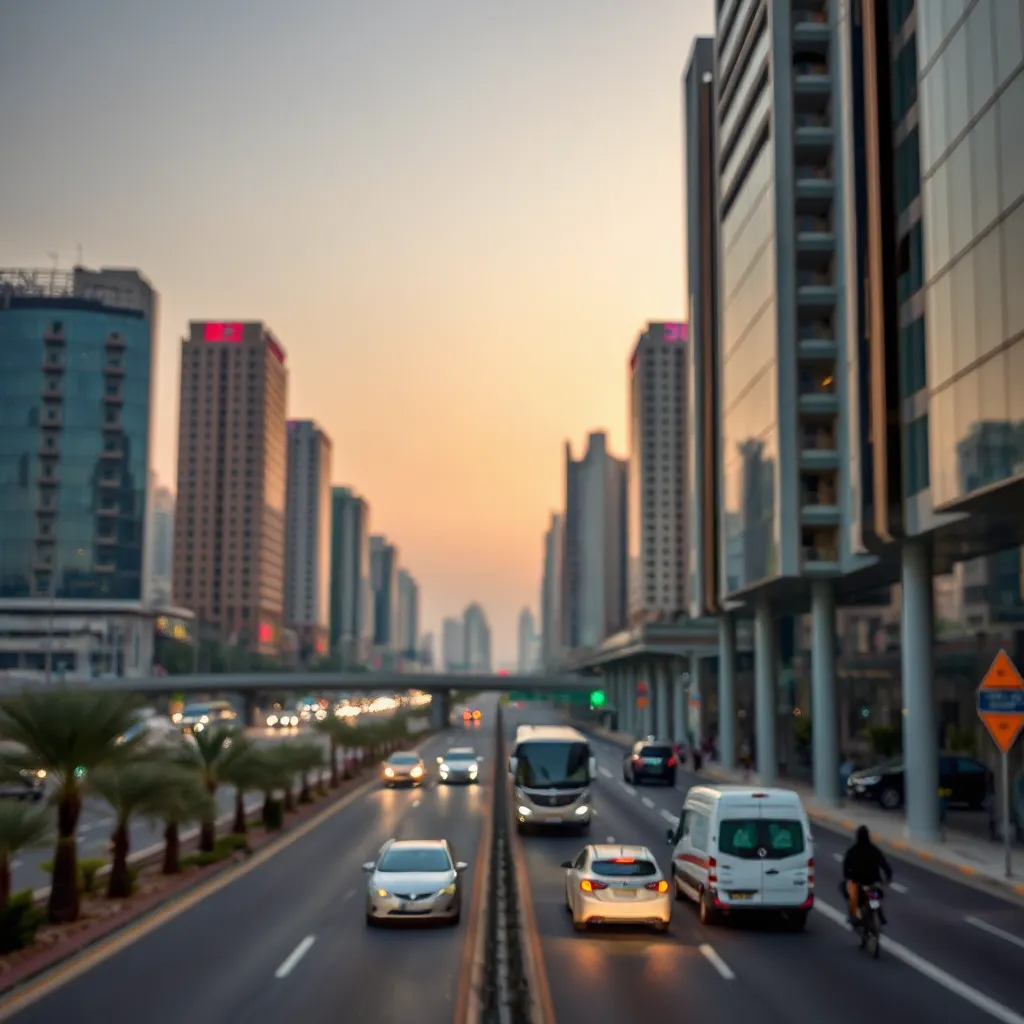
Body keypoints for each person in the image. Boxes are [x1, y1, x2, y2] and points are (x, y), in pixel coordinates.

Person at [842, 825, 893, 924]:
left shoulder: (853, 851)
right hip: (872, 881)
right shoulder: (874, 850)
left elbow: (846, 866)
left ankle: (853, 916)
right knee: (874, 898)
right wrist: (888, 876)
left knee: (853, 897)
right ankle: (880, 916)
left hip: (857, 882)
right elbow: (884, 864)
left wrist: (848, 876)